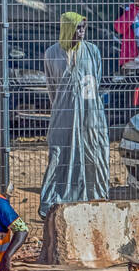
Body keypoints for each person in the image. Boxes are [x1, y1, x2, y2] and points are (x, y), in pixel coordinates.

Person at [41, 12, 111, 218]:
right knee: (59, 154)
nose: (81, 33)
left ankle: (95, 196)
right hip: (64, 114)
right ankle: (54, 201)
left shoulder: (92, 51)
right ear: (67, 29)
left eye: (83, 28)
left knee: (93, 153)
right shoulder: (52, 53)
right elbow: (51, 86)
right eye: (77, 28)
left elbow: (95, 80)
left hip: (91, 115)